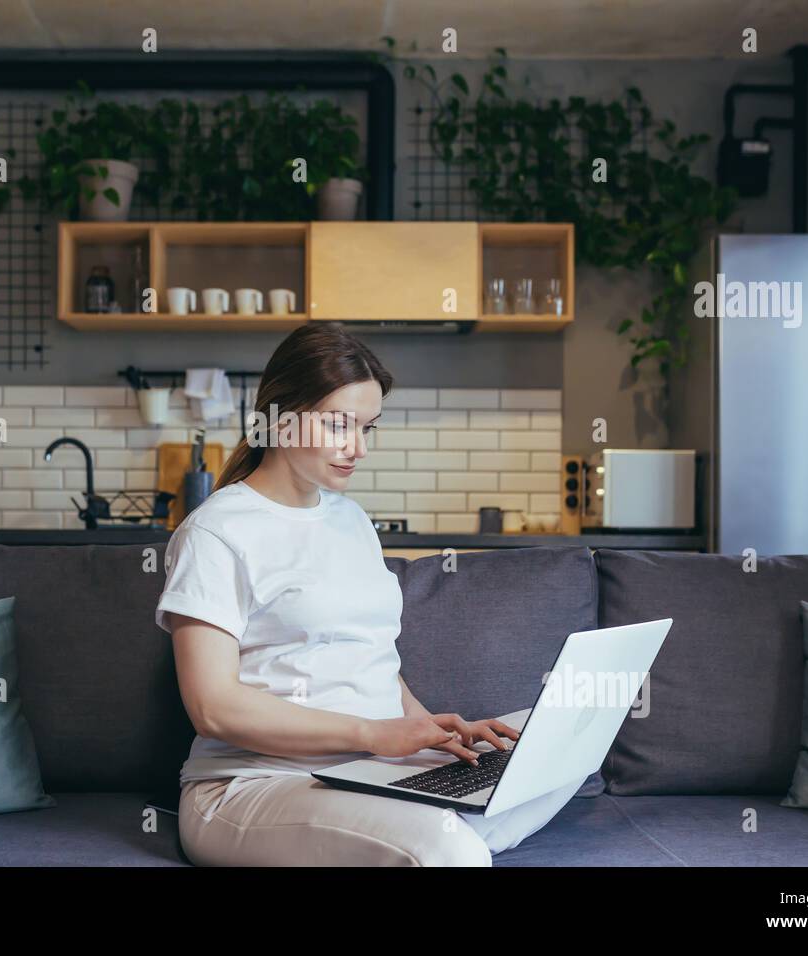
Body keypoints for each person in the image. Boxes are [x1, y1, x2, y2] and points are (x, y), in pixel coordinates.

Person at [156, 322, 577, 866]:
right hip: (254, 785)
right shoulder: (216, 532)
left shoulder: (350, 519)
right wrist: (376, 735)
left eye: (368, 427)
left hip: (365, 774)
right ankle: (440, 840)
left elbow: (370, 657)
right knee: (454, 852)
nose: (357, 448)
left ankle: (425, 828)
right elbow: (213, 708)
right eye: (338, 425)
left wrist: (431, 735)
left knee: (556, 755)